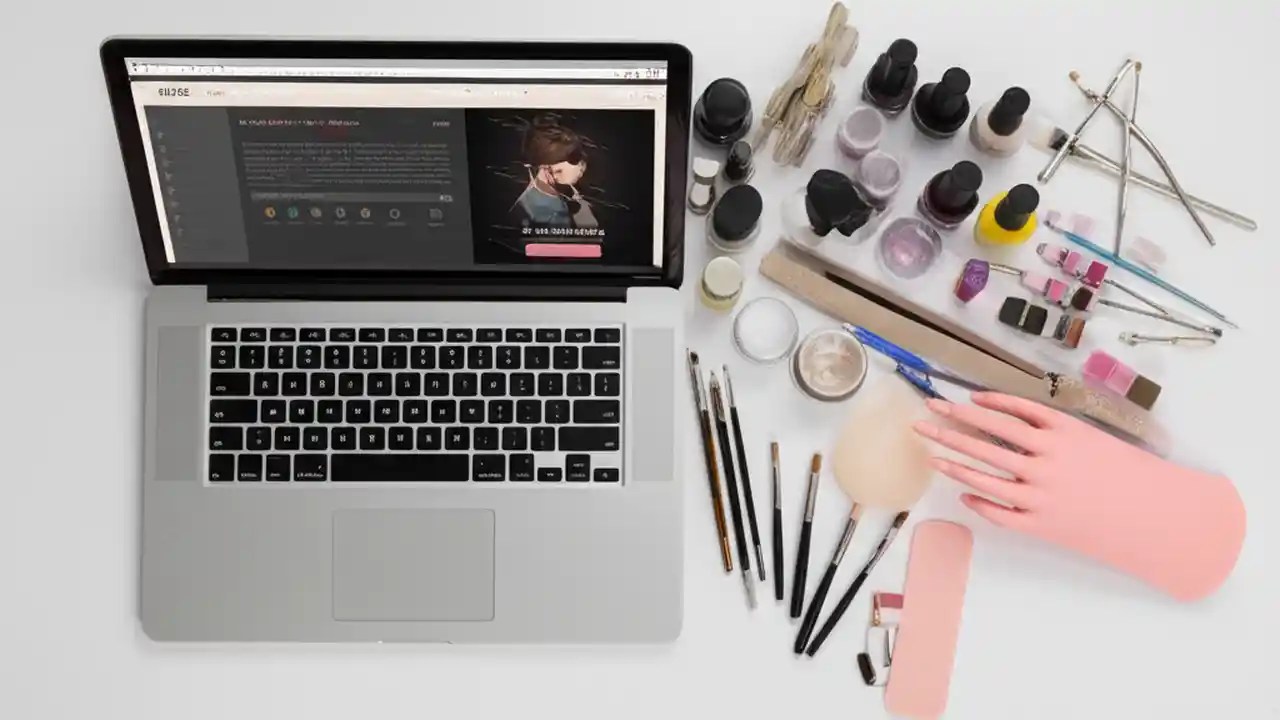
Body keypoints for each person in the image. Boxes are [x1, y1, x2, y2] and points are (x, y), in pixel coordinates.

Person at [513, 115, 599, 229]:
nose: (581, 165)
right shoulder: (534, 213)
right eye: (573, 159)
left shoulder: (567, 196)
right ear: (548, 168)